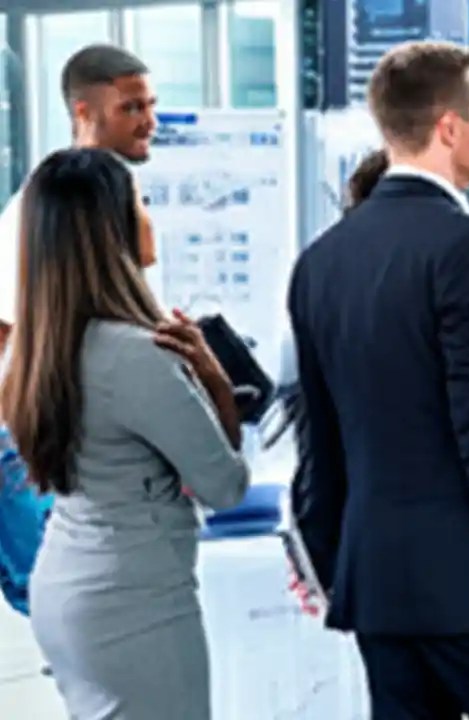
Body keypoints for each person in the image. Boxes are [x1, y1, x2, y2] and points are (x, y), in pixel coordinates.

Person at [287, 41, 469, 719]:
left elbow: (320, 441)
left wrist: (333, 567)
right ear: (449, 127)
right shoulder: (467, 245)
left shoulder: (321, 260)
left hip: (378, 588)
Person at [0, 148, 247, 719]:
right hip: (136, 602)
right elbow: (225, 485)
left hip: (65, 586)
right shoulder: (134, 355)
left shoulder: (30, 351)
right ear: (108, 230)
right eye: (141, 205)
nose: (151, 219)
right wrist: (216, 385)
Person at [0, 43, 156, 333]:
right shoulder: (41, 204)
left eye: (150, 105)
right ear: (83, 113)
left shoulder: (124, 193)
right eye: (131, 108)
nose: (150, 122)